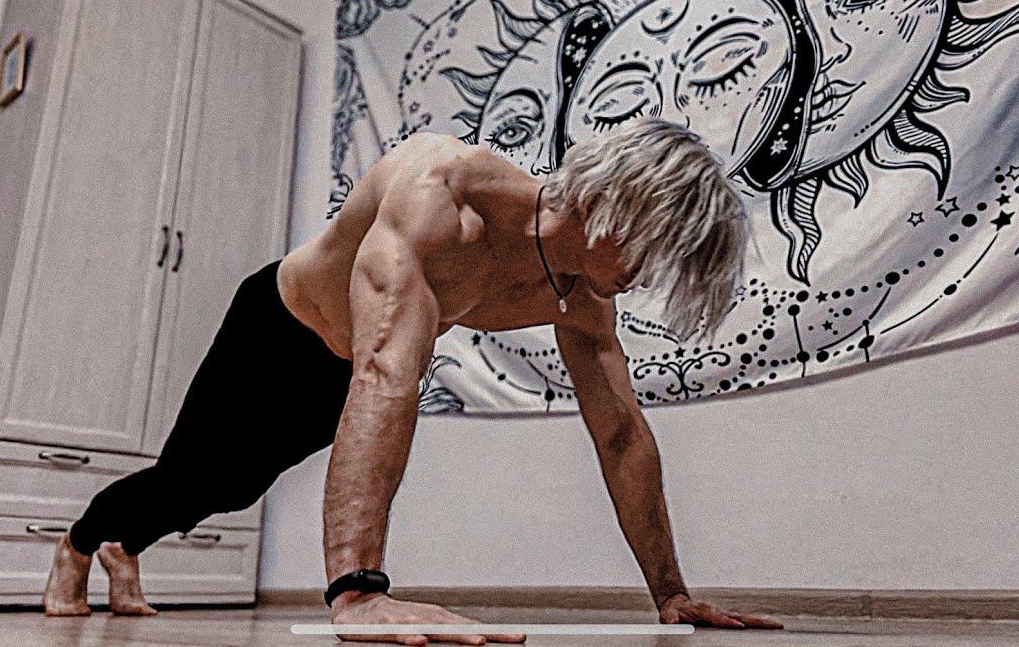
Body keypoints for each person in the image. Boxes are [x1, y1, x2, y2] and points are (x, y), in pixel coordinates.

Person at [42, 118, 784, 643]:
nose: (648, 276)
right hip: (276, 328)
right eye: (653, 251)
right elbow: (388, 373)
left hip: (340, 368)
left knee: (235, 490)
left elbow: (620, 433)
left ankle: (123, 550)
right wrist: (357, 593)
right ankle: (81, 545)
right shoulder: (442, 191)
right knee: (191, 477)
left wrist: (671, 593)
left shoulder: (582, 298)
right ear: (614, 202)